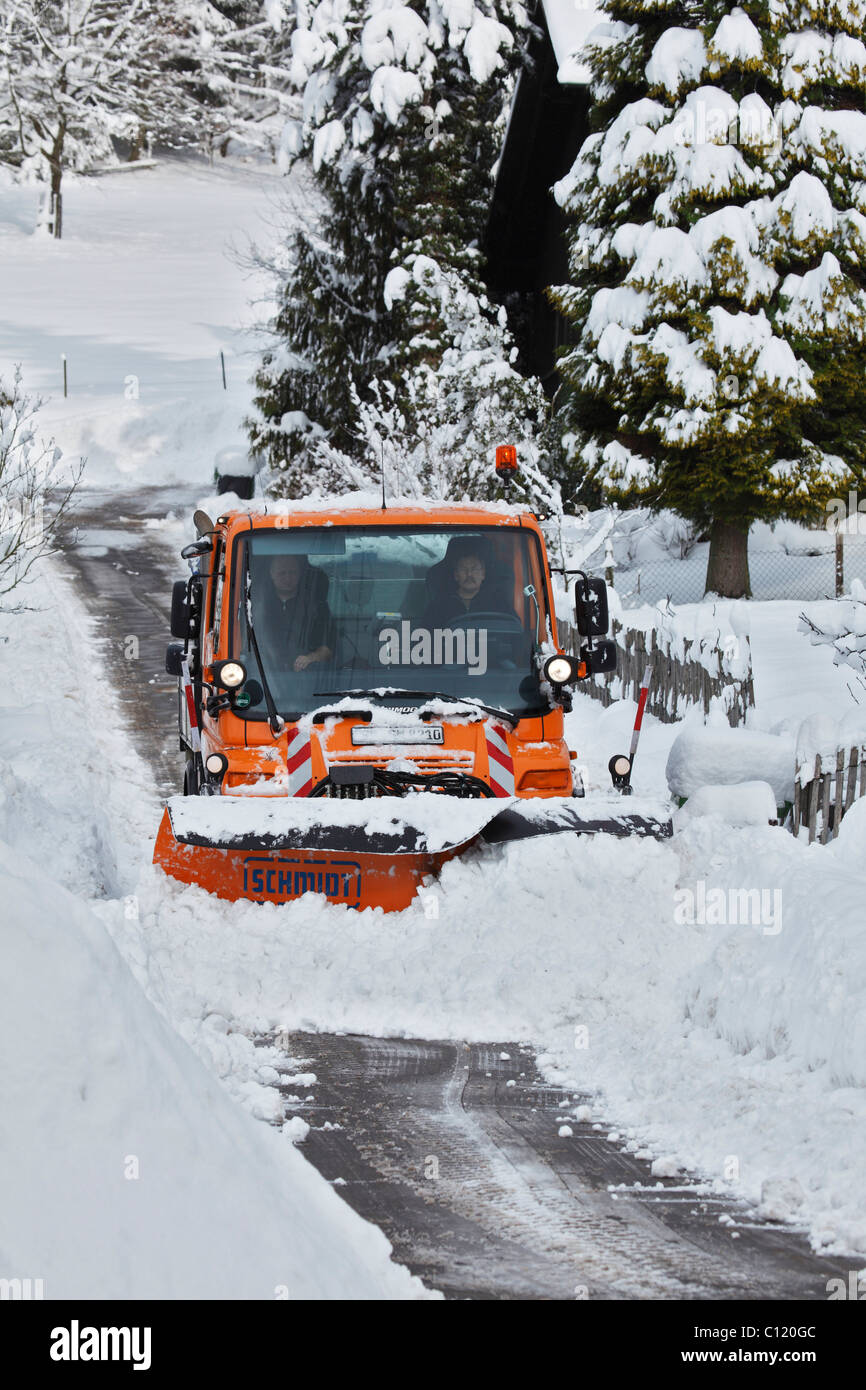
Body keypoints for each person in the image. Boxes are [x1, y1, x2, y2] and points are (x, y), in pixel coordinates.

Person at [259, 553, 335, 672]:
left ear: (299, 574)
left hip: (307, 677)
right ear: (272, 574)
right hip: (265, 674)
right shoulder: (258, 607)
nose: (288, 578)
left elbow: (328, 650)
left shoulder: (317, 608)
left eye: (292, 572)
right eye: (282, 573)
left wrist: (311, 658)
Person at [421, 538, 515, 628]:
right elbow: (424, 639)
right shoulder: (439, 605)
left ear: (483, 574)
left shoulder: (498, 602)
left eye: (474, 569)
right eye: (463, 569)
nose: (469, 574)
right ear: (456, 575)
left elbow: (515, 633)